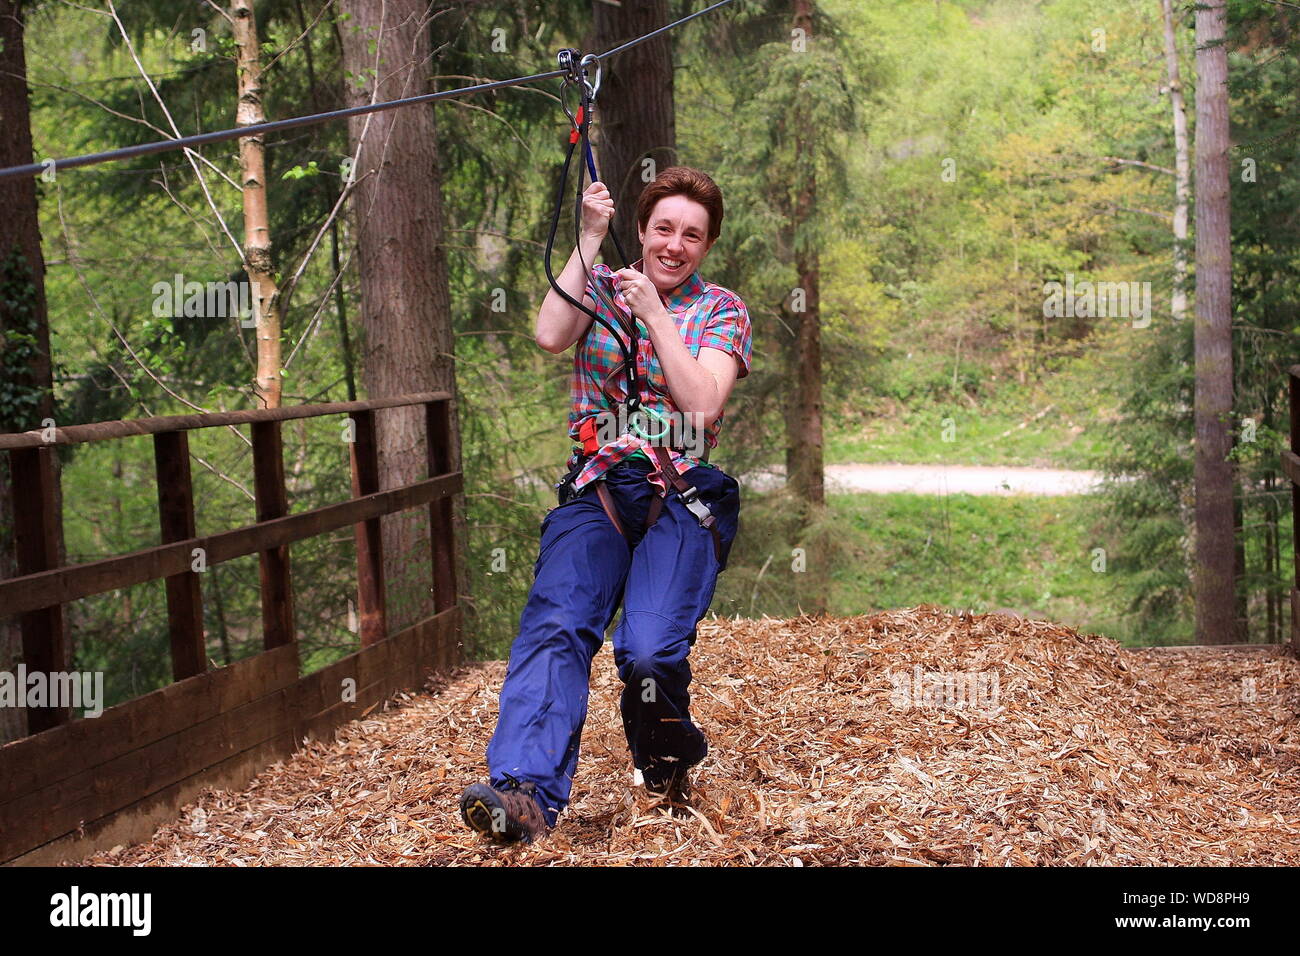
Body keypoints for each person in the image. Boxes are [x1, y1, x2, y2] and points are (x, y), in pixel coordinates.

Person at [459, 166, 752, 843]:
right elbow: (550, 334)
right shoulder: (600, 285)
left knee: (648, 651)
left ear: (706, 247)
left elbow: (703, 404)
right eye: (663, 229)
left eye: (692, 235)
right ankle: (524, 793)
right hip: (598, 489)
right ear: (643, 232)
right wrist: (589, 237)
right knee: (557, 624)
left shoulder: (722, 309)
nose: (675, 245)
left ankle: (667, 756)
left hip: (679, 494)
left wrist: (653, 313)